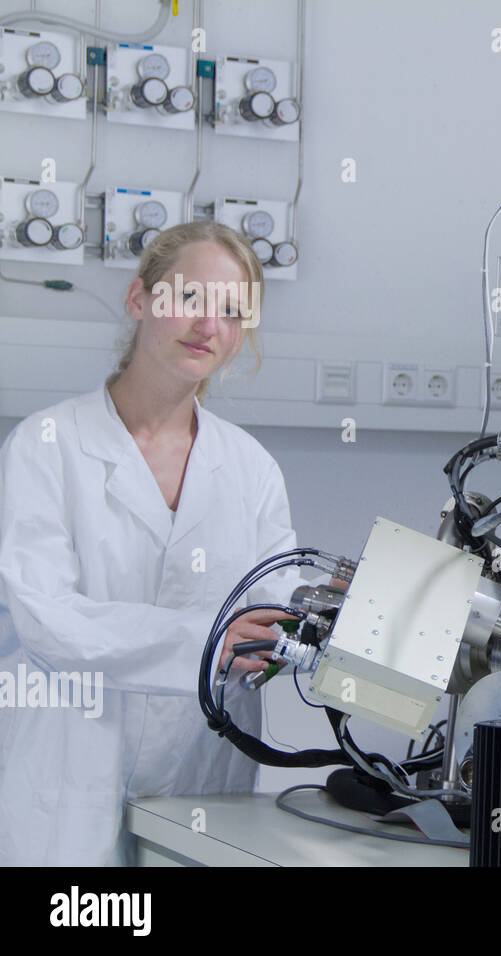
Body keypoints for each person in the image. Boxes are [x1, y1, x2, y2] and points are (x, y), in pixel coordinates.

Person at [0, 221, 299, 865]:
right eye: (189, 298)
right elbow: (49, 622)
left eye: (231, 311)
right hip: (68, 776)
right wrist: (209, 643)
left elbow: (271, 625)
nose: (208, 325)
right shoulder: (45, 446)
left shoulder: (251, 471)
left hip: (200, 780)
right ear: (139, 300)